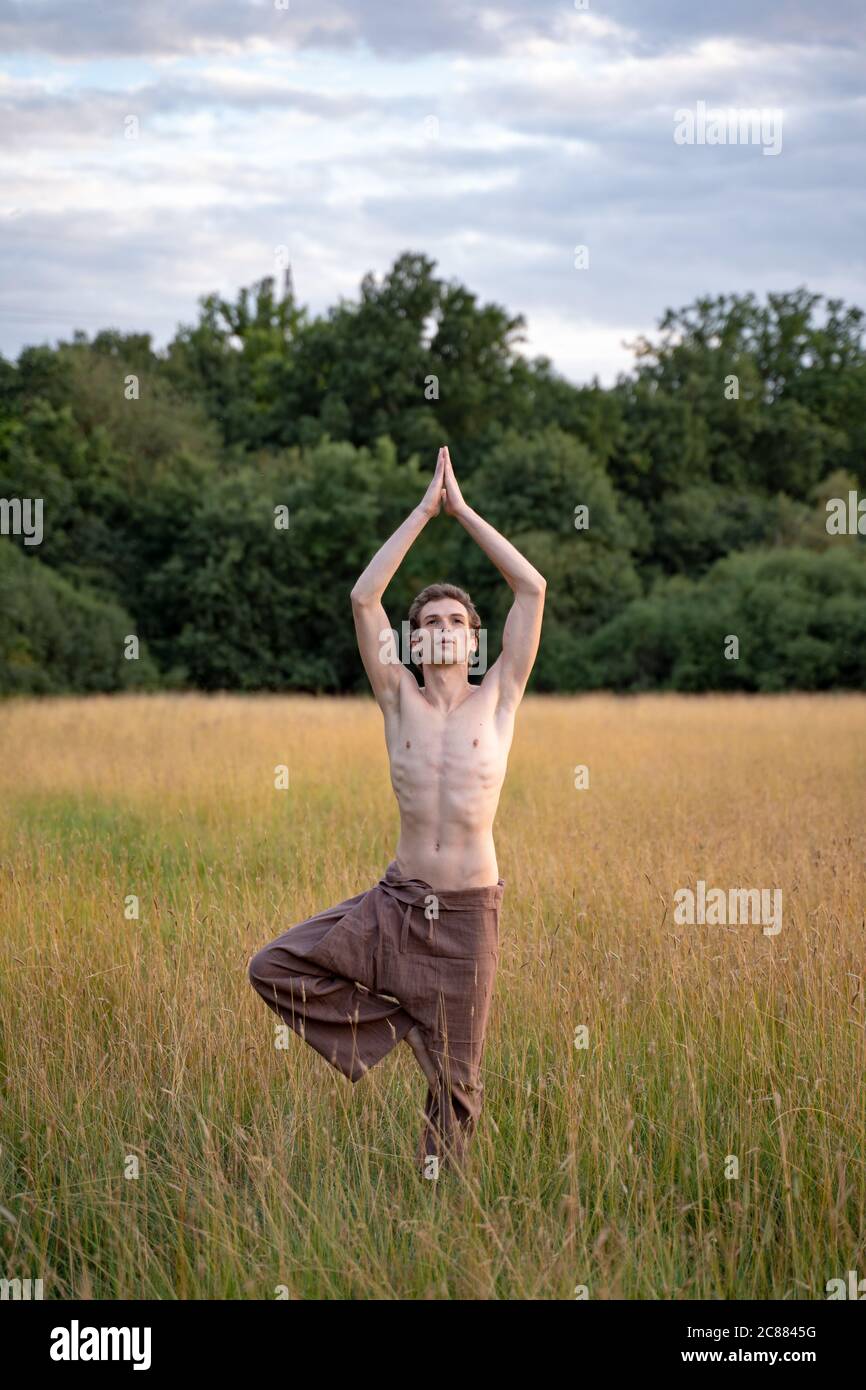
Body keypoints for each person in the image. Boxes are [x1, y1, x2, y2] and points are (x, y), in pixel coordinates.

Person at [248, 446, 546, 1174]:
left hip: (470, 910)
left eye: (456, 619)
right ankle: (397, 1026)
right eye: (431, 620)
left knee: (458, 1083)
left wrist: (463, 511)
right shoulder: (397, 700)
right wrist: (422, 510)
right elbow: (362, 599)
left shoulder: (499, 697)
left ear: (475, 639)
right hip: (398, 903)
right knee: (275, 964)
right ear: (414, 640)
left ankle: (436, 1201)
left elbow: (532, 588)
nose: (444, 626)